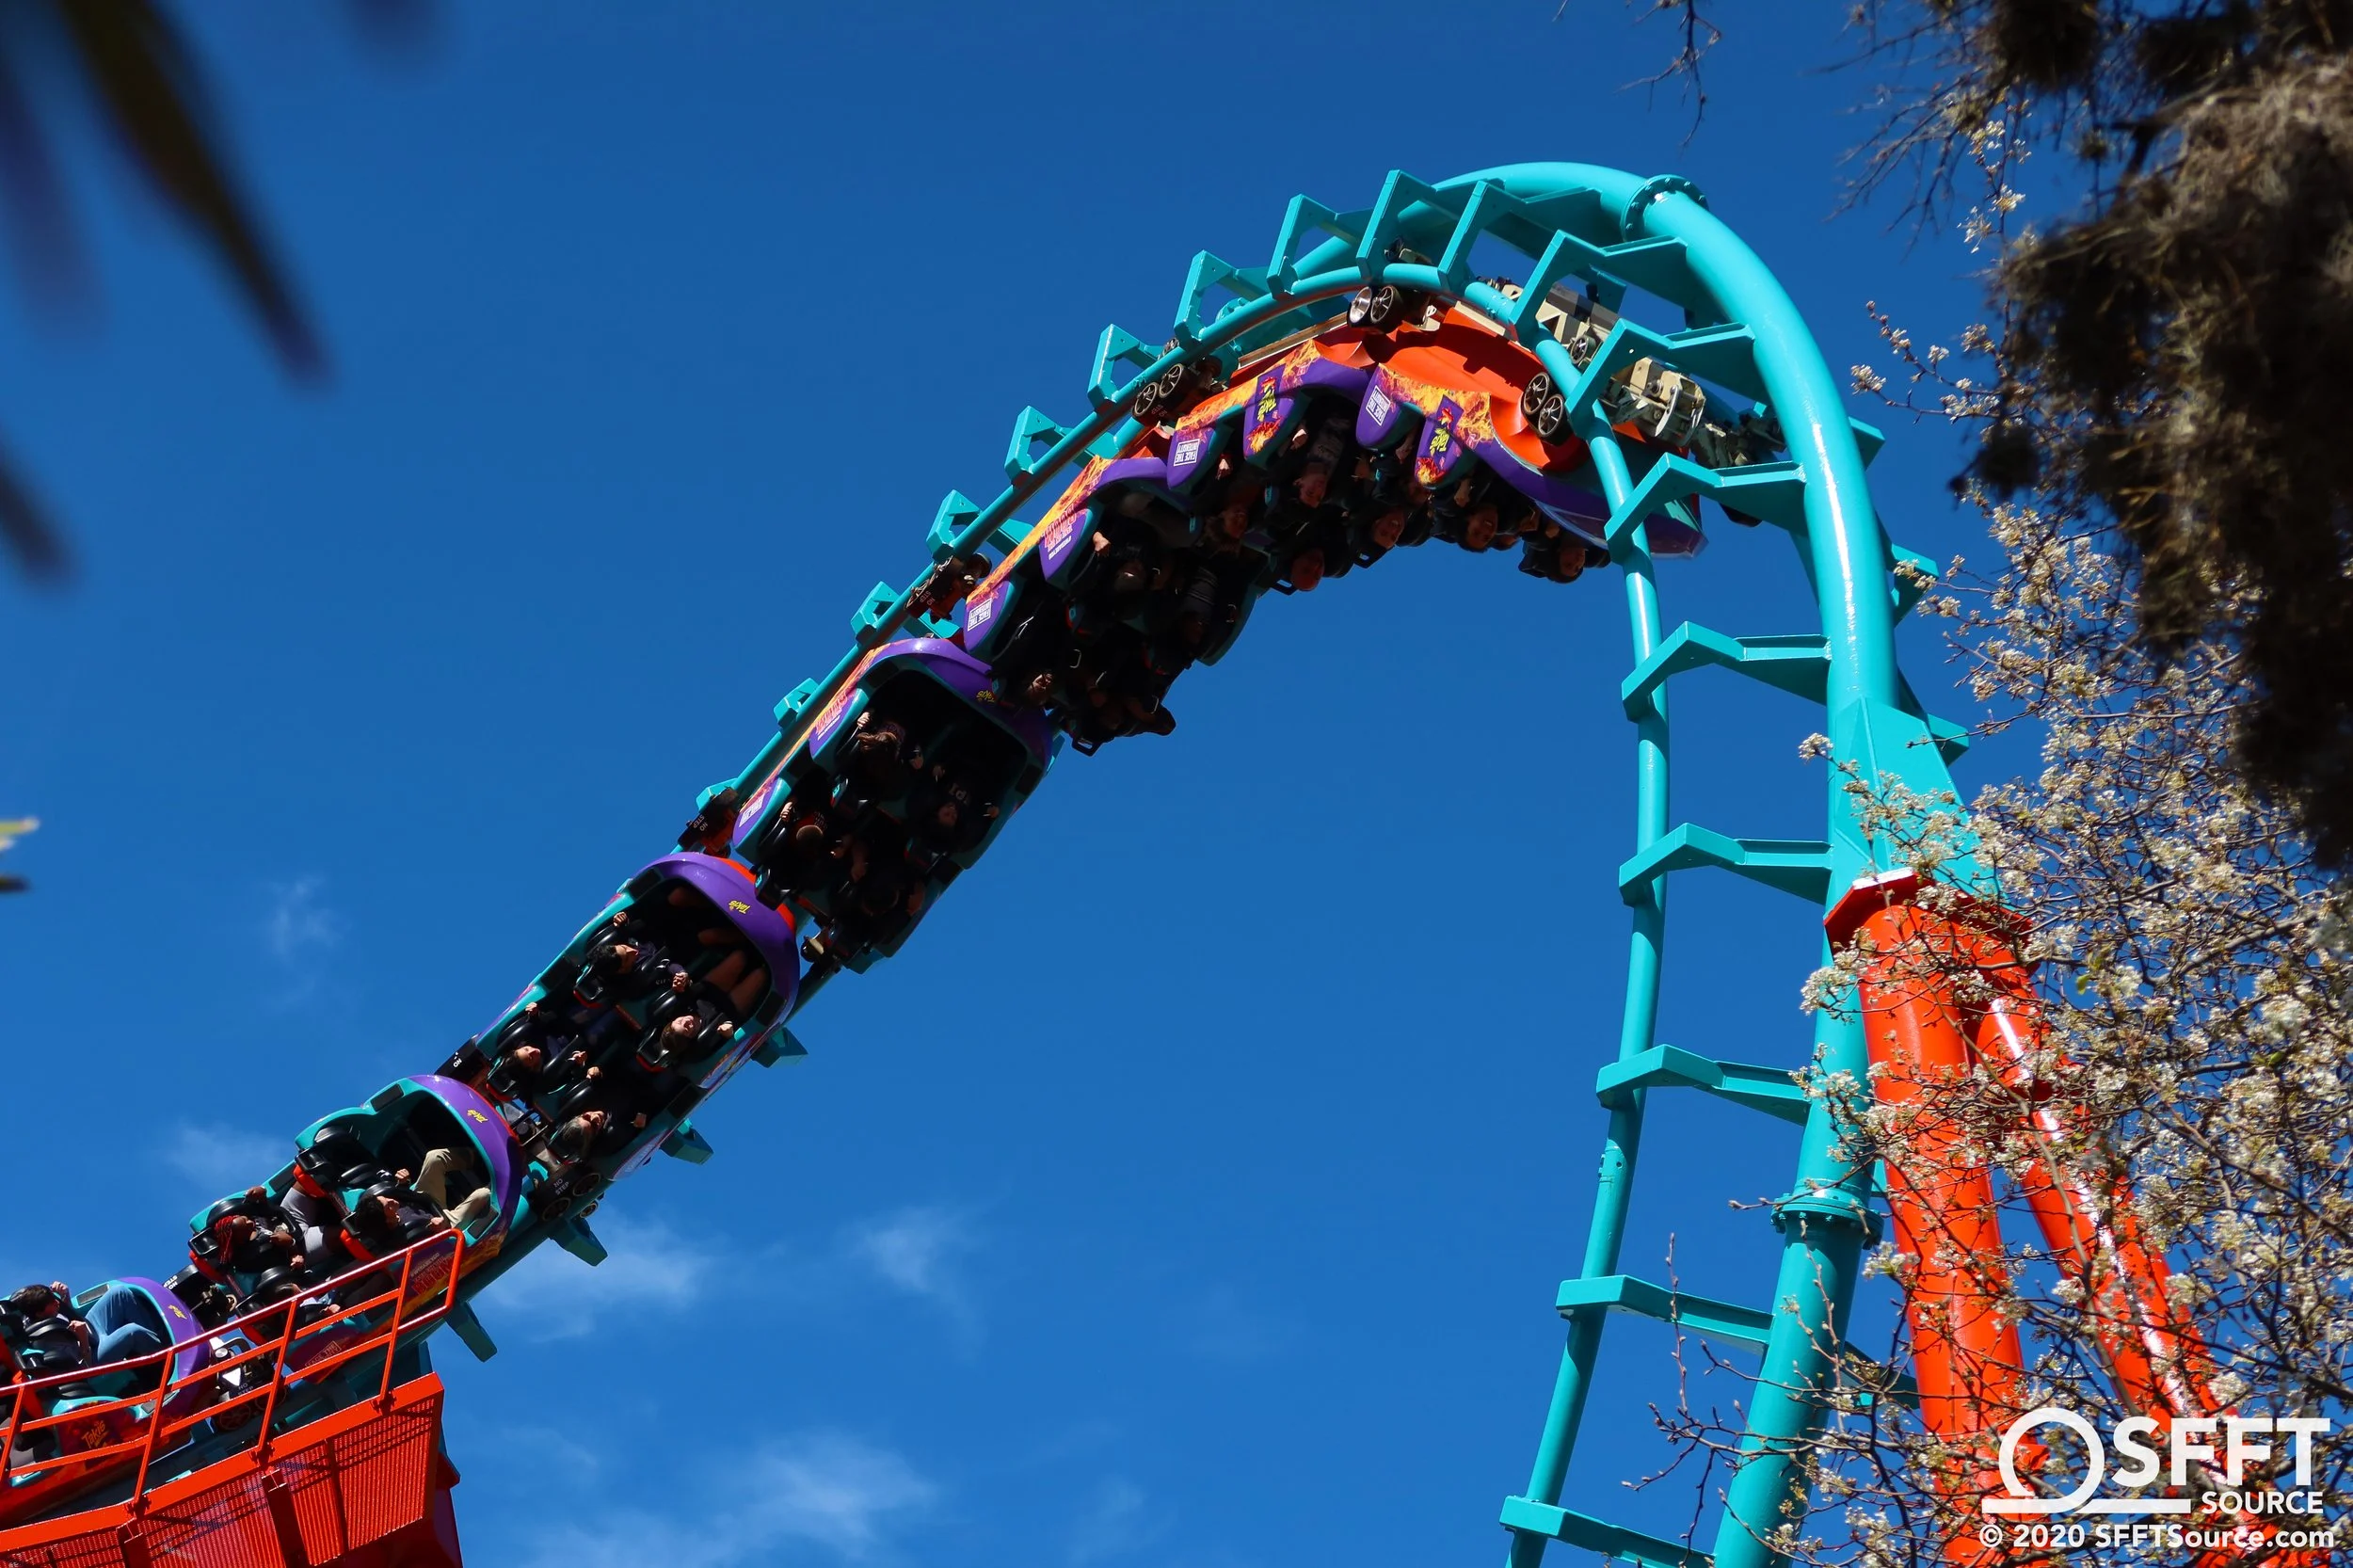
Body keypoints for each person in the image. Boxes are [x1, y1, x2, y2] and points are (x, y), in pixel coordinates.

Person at [414, 1146, 494, 1234]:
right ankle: (504, 1178)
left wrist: (402, 1183)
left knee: (434, 1158)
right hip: (442, 1228)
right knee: (483, 1194)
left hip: (421, 1202)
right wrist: (431, 1229)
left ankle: (477, 1157)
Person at [550, 1106, 648, 1163]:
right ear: (594, 1138)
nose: (594, 1118)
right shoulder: (615, 1132)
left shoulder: (584, 1103)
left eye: (586, 1117)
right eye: (593, 1125)